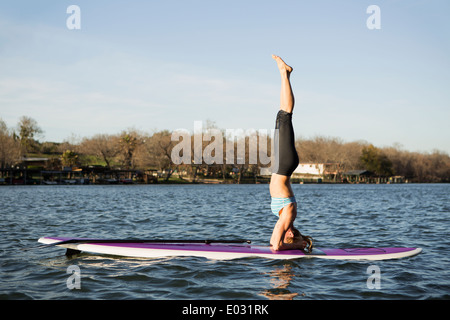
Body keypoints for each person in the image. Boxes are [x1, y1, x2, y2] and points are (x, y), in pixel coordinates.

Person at [269, 55, 313, 252]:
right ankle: (284, 73)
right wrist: (299, 244)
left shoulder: (286, 218)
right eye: (292, 234)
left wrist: (294, 244)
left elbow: (275, 246)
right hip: (284, 165)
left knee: (282, 116)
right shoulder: (288, 216)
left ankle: (284, 74)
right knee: (285, 115)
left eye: (288, 236)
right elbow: (276, 247)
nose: (288, 233)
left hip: (282, 165)